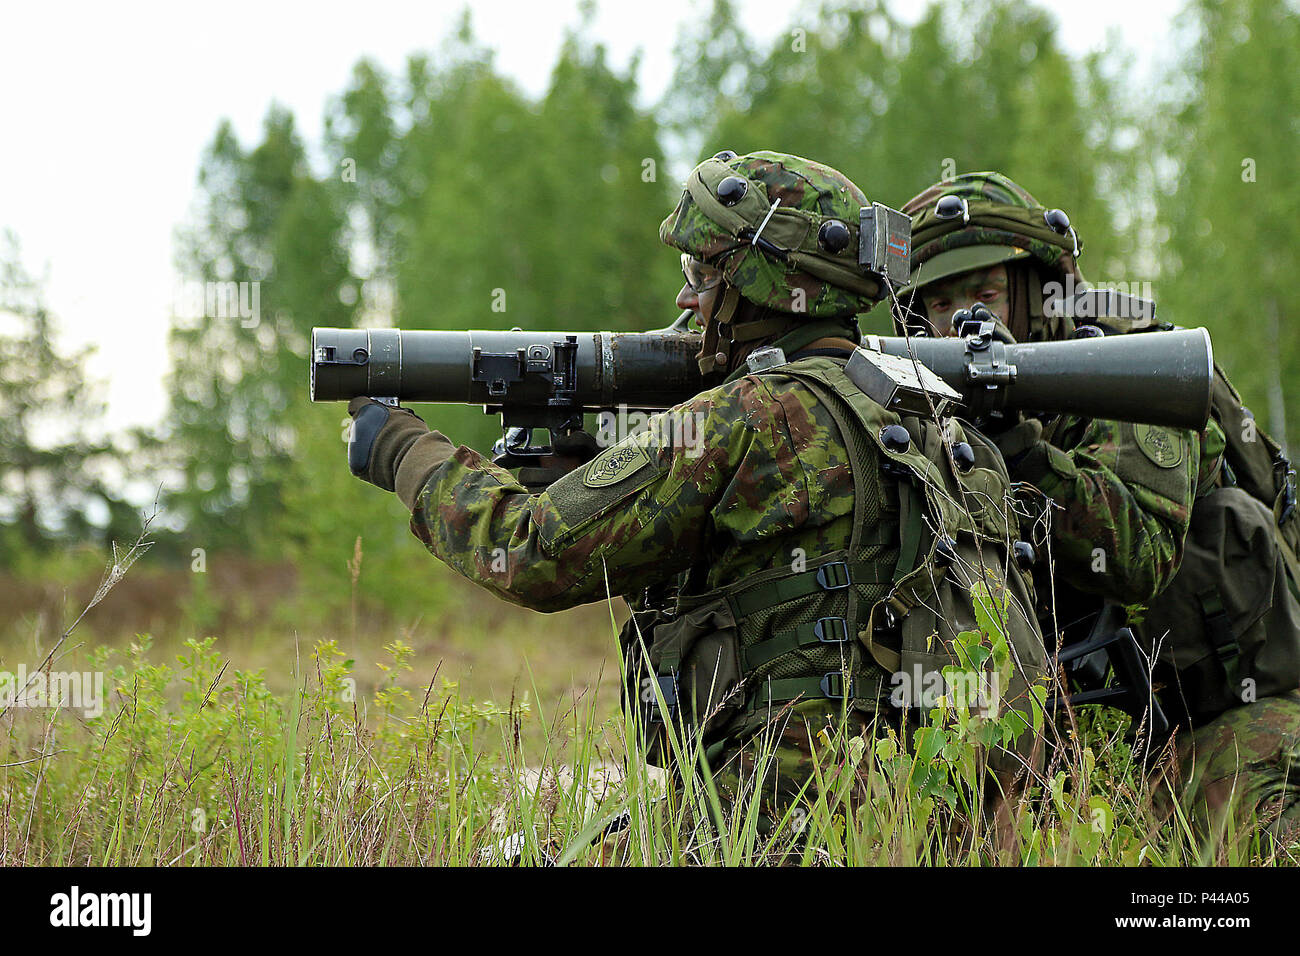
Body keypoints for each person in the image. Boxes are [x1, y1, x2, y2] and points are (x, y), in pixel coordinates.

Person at [344, 151, 1050, 841]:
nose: (686, 298)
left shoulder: (745, 416)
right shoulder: (936, 418)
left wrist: (401, 449)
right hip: (925, 823)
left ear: (760, 285)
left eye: (703, 271)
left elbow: (528, 553)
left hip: (775, 822)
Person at [894, 171, 1300, 853]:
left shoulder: (1128, 368)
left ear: (1035, 288)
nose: (964, 318)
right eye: (941, 303)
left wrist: (1022, 449)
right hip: (1081, 738)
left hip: (1228, 718)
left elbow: (1137, 552)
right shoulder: (933, 409)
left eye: (986, 293)